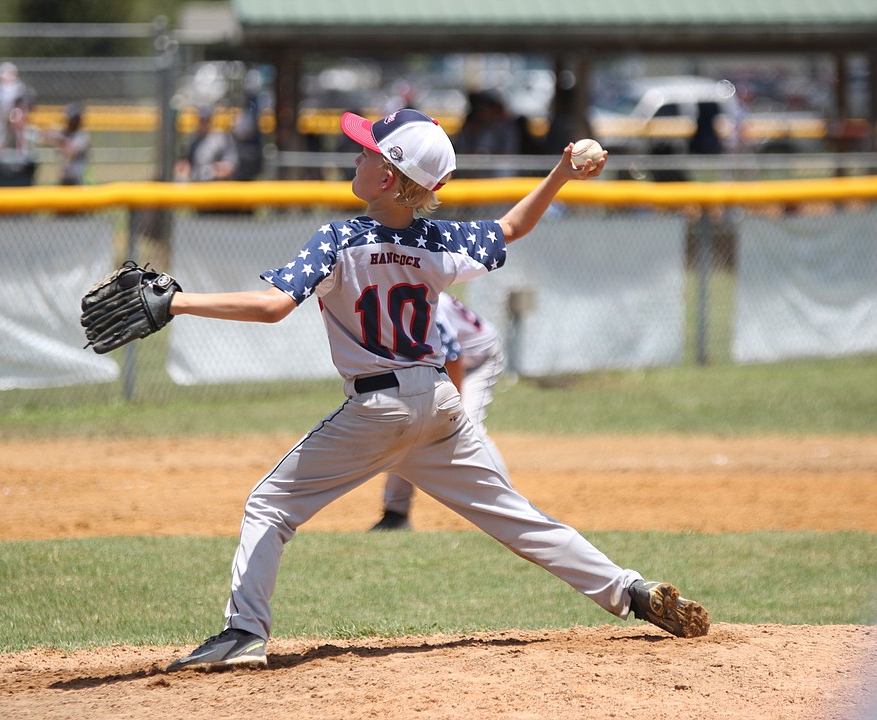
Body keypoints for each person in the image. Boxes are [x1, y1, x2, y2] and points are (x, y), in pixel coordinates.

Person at [165, 108, 710, 671]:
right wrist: (561, 174)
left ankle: (243, 632)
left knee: (270, 505)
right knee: (516, 516)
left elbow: (272, 306)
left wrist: (174, 301)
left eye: (368, 152)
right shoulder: (436, 240)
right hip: (438, 402)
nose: (358, 155)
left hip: (378, 406)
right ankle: (631, 590)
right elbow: (512, 229)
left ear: (385, 178)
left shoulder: (339, 237)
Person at [371, 291, 506, 531]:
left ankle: (507, 505)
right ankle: (395, 513)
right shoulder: (383, 300)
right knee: (408, 425)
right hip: (440, 365)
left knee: (467, 427)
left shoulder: (421, 301)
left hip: (477, 360)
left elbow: (455, 357)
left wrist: (454, 410)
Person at [174, 104, 239, 182]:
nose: (204, 123)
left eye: (206, 119)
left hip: (217, 185)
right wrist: (183, 169)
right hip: (198, 185)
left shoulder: (222, 139)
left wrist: (216, 169)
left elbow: (230, 166)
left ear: (211, 120)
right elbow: (187, 164)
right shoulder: (194, 141)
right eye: (201, 120)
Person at [43, 103, 90, 185]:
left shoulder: (82, 135)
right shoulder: (65, 132)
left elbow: (71, 152)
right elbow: (45, 136)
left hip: (77, 178)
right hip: (64, 176)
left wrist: (61, 140)